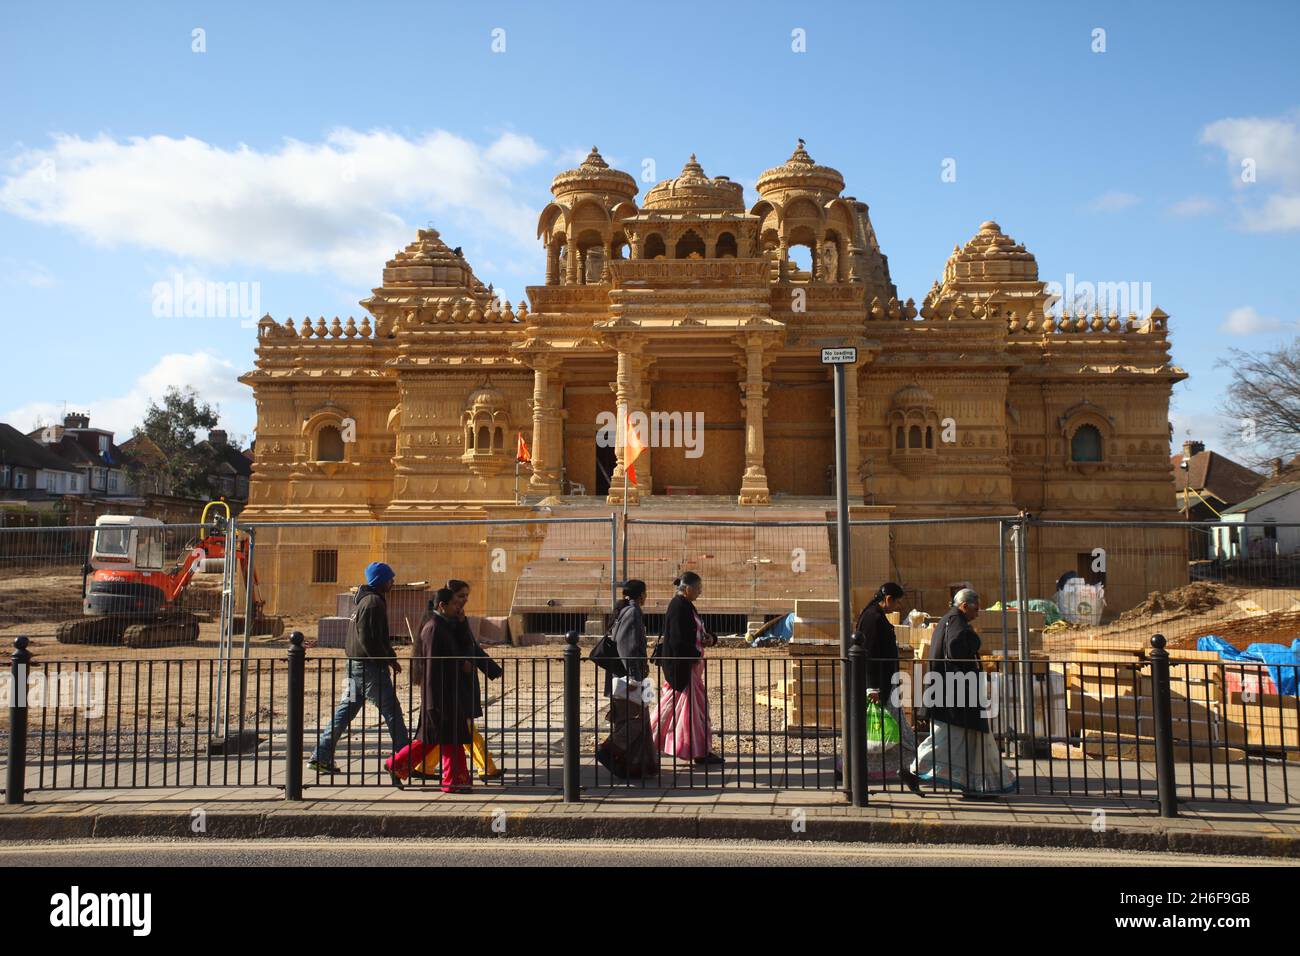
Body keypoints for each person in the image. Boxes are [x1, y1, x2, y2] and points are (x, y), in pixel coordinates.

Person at [911, 588, 1016, 799]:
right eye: (975, 609)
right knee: (945, 738)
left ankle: (977, 784)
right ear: (964, 606)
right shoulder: (956, 624)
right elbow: (956, 648)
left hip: (951, 692)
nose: (977, 613)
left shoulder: (949, 621)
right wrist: (974, 639)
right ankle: (914, 771)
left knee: (961, 738)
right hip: (955, 693)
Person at [309, 562, 409, 773]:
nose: (393, 582)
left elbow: (372, 637)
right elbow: (369, 639)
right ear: (380, 580)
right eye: (390, 578)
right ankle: (405, 758)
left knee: (346, 711)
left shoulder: (365, 601)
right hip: (369, 668)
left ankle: (321, 755)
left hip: (355, 665)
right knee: (392, 711)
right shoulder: (373, 603)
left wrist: (389, 657)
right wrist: (385, 659)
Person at [412, 579, 505, 782]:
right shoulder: (442, 622)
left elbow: (470, 646)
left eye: (466, 597)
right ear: (448, 601)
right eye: (460, 597)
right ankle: (486, 768)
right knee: (463, 730)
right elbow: (449, 654)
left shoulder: (455, 618)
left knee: (451, 733)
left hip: (457, 683)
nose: (464, 601)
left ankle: (423, 766)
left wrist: (489, 667)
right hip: (452, 685)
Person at [386, 587, 477, 792]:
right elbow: (432, 668)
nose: (459, 606)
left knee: (442, 739)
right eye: (455, 603)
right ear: (442, 606)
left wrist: (462, 623)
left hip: (449, 692)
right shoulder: (434, 628)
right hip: (439, 695)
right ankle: (454, 780)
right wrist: (433, 701)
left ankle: (397, 765)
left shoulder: (446, 624)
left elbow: (464, 644)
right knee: (443, 739)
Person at [855, 582, 924, 796]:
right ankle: (906, 770)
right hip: (880, 688)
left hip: (885, 687)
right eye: (896, 602)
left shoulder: (871, 616)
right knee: (894, 734)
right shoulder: (873, 619)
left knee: (888, 734)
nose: (896, 607)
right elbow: (871, 657)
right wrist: (873, 688)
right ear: (887, 599)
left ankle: (906, 770)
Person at [650, 571, 723, 766]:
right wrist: (695, 654)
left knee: (676, 709)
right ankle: (697, 751)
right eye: (698, 588)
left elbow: (696, 632)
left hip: (688, 668)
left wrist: (710, 639)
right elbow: (677, 640)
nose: (700, 592)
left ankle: (691, 748)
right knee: (688, 711)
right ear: (688, 588)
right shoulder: (679, 607)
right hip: (684, 669)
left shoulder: (686, 606)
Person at [596, 579, 659, 779]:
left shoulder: (624, 611)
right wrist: (634, 677)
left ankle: (637, 764)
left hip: (627, 675)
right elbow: (629, 647)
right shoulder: (632, 613)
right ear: (641, 595)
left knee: (637, 718)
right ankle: (609, 749)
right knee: (635, 719)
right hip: (629, 677)